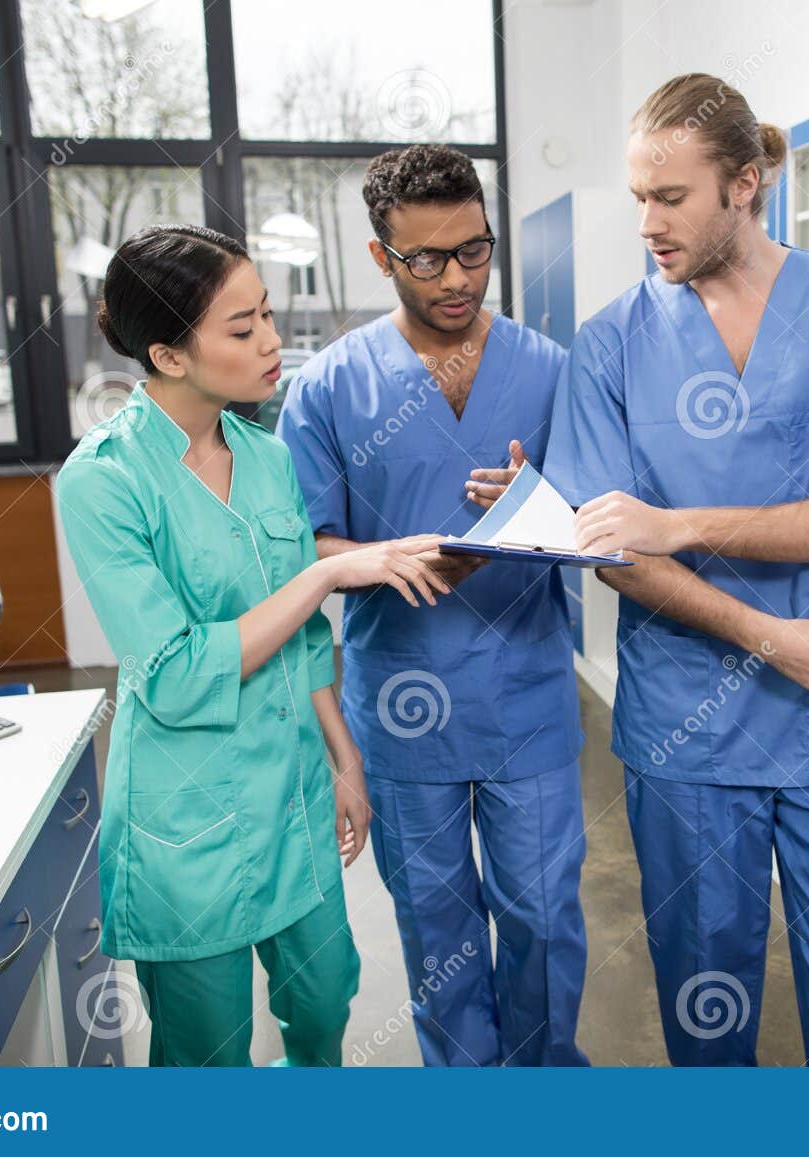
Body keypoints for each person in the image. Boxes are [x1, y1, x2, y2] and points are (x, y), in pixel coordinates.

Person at [546, 75, 809, 1067]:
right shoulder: (610, 343)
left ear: (744, 185)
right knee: (704, 987)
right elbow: (613, 553)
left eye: (669, 198)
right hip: (691, 727)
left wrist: (678, 522)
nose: (646, 223)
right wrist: (766, 635)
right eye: (637, 197)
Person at [57, 224, 449, 1067]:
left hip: (295, 789)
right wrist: (327, 573)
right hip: (186, 817)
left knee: (325, 999)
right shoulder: (103, 481)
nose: (273, 342)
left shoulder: (267, 458)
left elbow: (303, 642)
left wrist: (344, 757)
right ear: (166, 353)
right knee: (210, 1049)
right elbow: (174, 674)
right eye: (242, 329)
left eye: (268, 314)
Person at [277, 145, 590, 1066]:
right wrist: (386, 555)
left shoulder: (549, 367)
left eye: (475, 251)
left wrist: (540, 506)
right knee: (438, 932)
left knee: (542, 913)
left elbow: (600, 518)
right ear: (382, 257)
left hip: (527, 692)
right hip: (404, 705)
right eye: (427, 260)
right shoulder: (331, 386)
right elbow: (307, 548)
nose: (458, 279)